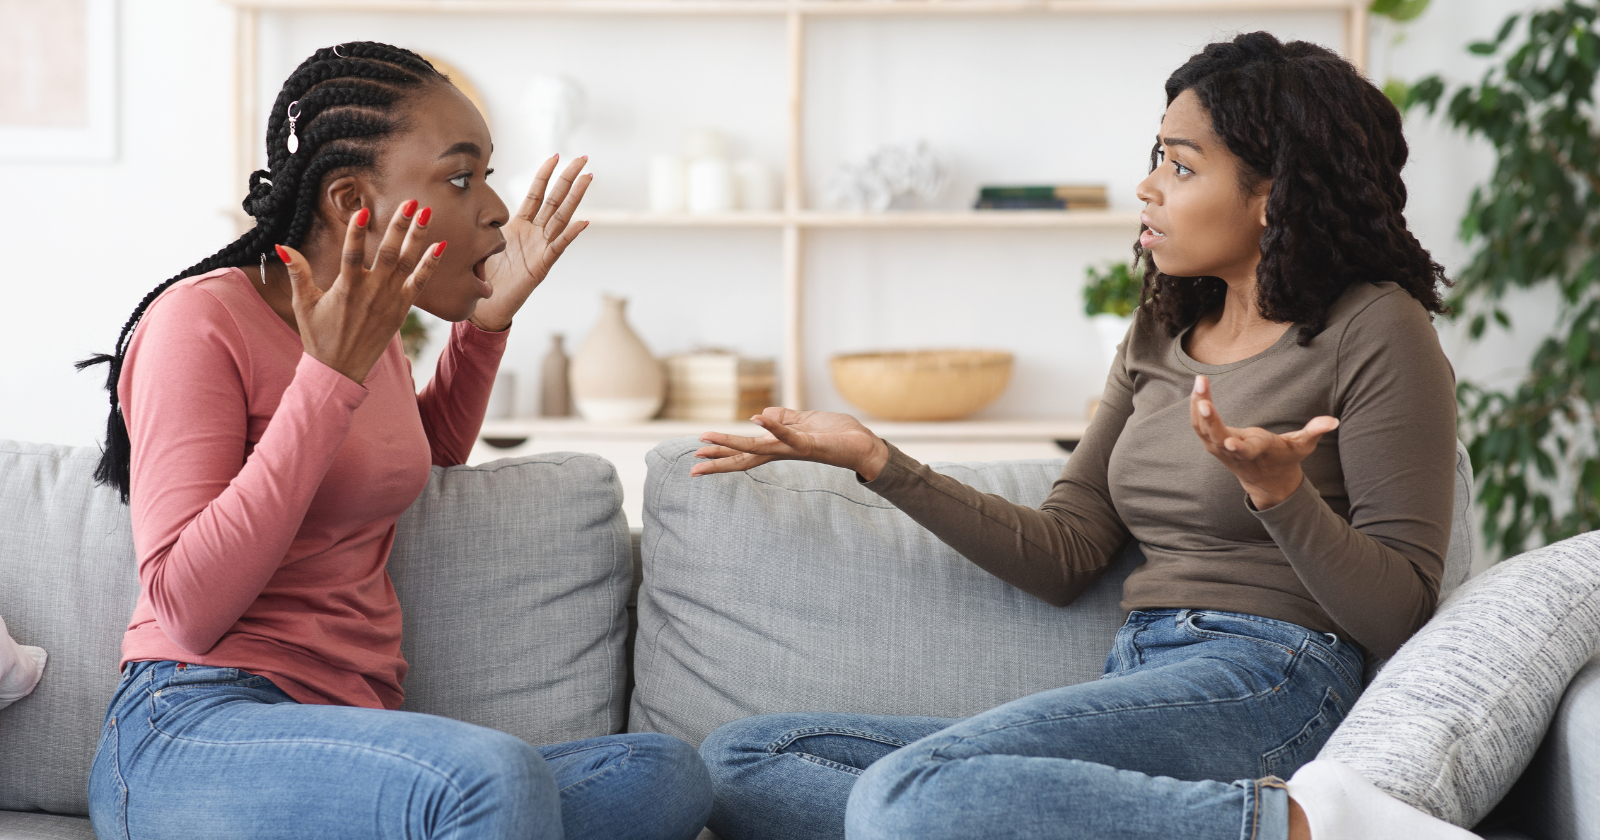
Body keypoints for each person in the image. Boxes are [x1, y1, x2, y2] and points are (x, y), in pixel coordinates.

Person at [691, 32, 1476, 840]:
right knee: (744, 762)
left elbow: (1401, 610)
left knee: (908, 798)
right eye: (1157, 158)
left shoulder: (1377, 325)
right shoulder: (1160, 330)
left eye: (1180, 165)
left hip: (1272, 679)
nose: (1147, 187)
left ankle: (1303, 827)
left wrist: (1282, 495)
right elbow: (1065, 552)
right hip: (1141, 670)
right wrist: (878, 460)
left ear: (1272, 196)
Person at [77, 42, 710, 840]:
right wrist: (326, 379)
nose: (495, 209)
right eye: (461, 176)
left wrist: (486, 326)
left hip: (349, 730)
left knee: (658, 773)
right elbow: (187, 608)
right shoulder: (197, 323)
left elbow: (421, 450)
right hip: (194, 724)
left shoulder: (371, 326)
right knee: (490, 782)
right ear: (350, 199)